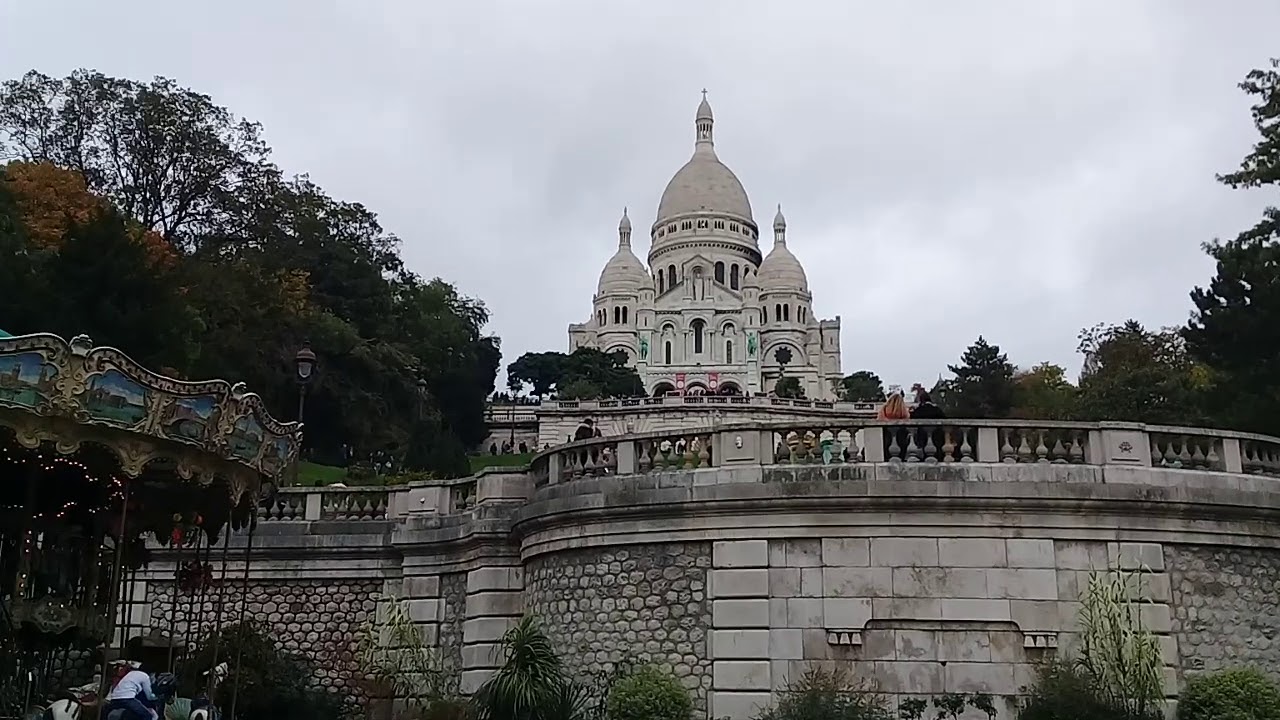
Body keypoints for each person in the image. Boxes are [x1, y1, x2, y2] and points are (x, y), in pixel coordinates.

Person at [104, 669, 171, 720]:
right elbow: (149, 696)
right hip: (127, 699)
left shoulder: (131, 674)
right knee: (148, 716)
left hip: (114, 699)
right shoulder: (145, 677)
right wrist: (158, 698)